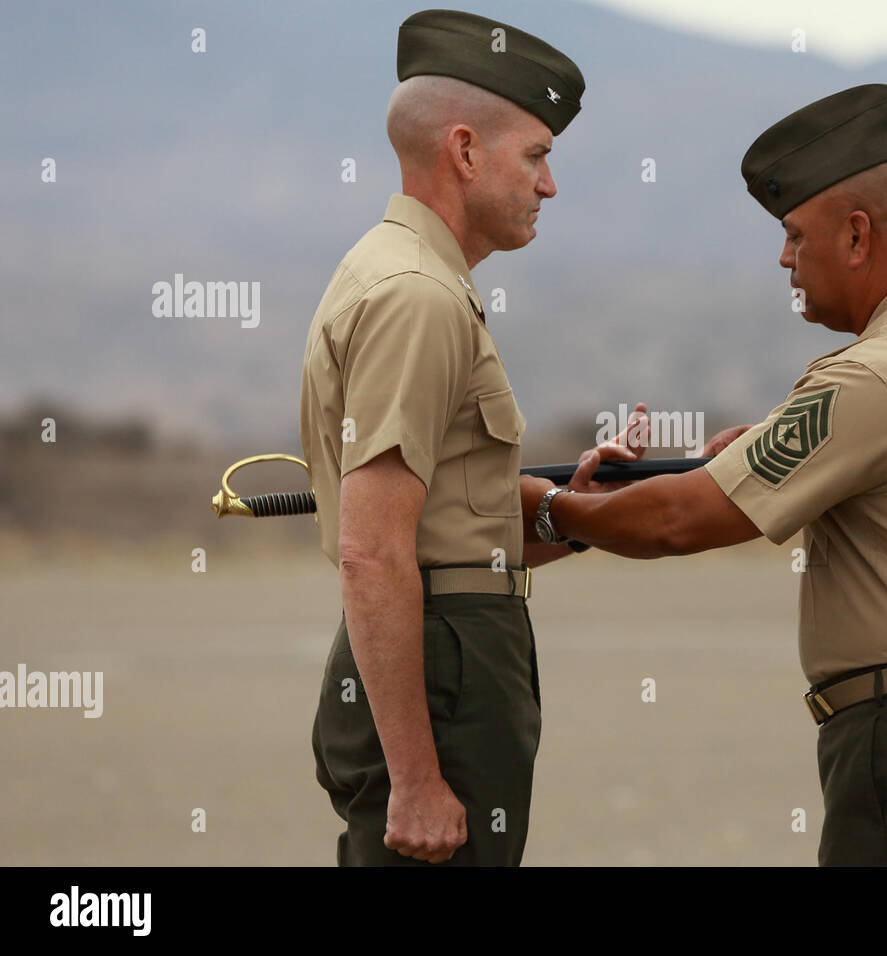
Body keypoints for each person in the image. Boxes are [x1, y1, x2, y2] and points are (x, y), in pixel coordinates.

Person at [526, 84, 887, 866]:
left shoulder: (875, 376)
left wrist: (550, 510)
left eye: (793, 234)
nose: (784, 258)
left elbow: (680, 519)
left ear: (855, 234)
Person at [299, 9, 644, 866]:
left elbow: (453, 518)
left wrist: (573, 510)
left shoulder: (405, 277)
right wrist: (416, 779)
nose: (550, 184)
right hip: (441, 672)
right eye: (537, 156)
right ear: (463, 152)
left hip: (444, 657)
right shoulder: (415, 296)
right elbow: (373, 549)